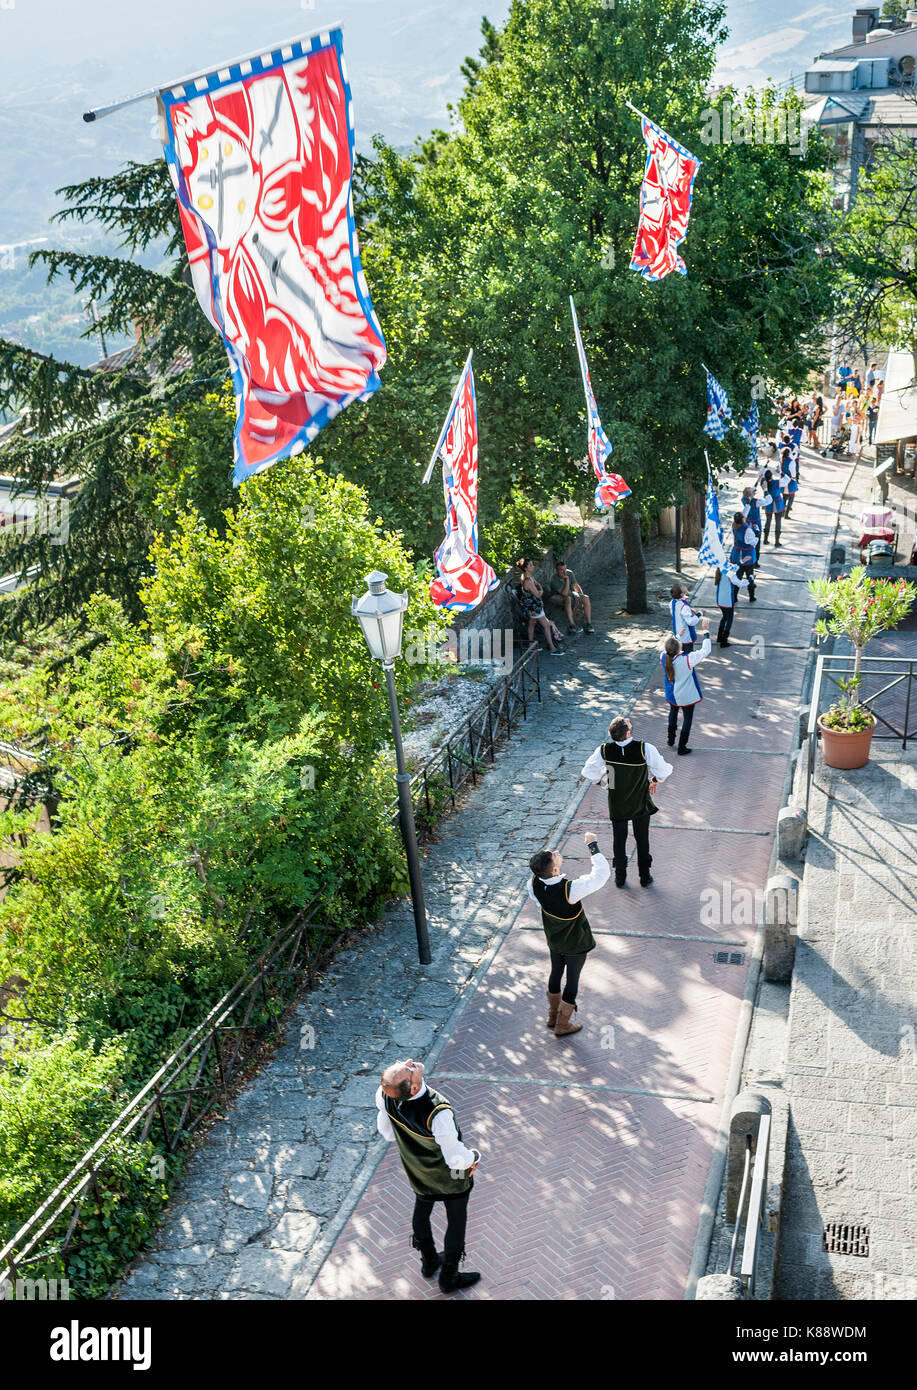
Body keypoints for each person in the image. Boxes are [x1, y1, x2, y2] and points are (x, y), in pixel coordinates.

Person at [376, 1058, 482, 1292]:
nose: (410, 1062)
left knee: (421, 1210)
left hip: (417, 1170)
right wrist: (474, 1156)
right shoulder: (438, 1111)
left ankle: (429, 1261)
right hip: (451, 1175)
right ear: (413, 1088)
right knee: (456, 1220)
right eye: (408, 1068)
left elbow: (388, 1134)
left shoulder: (386, 1094)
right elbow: (455, 1159)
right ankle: (449, 1277)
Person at [528, 829, 610, 1035]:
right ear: (555, 870)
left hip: (554, 940)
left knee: (556, 972)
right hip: (575, 942)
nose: (557, 851)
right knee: (572, 980)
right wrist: (593, 846)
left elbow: (540, 904)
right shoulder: (570, 889)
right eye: (554, 854)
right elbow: (601, 875)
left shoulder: (534, 884)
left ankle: (552, 1015)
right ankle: (562, 1025)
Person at [580, 715, 673, 889]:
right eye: (629, 723)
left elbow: (588, 771)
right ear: (628, 733)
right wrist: (655, 780)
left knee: (619, 839)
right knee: (642, 839)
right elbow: (663, 770)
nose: (629, 720)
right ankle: (644, 877)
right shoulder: (645, 748)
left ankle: (620, 878)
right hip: (640, 801)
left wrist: (602, 783)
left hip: (617, 801)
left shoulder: (604, 750)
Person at [661, 623, 712, 755]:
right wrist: (706, 631)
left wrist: (677, 636)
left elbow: (667, 647)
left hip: (672, 694)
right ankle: (682, 747)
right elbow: (706, 650)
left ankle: (670, 740)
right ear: (680, 647)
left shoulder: (663, 657)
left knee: (673, 713)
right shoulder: (687, 659)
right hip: (686, 695)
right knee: (687, 718)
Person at [516, 557, 564, 656]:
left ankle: (531, 646)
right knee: (546, 626)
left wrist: (539, 589)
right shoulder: (528, 580)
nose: (533, 566)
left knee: (532, 623)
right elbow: (538, 594)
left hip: (532, 606)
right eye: (530, 565)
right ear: (526, 568)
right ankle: (552, 648)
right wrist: (541, 589)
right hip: (535, 608)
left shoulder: (526, 576)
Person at [548, 559, 595, 634]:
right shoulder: (554, 579)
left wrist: (581, 597)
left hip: (569, 593)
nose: (564, 572)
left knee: (586, 598)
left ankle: (589, 624)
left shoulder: (569, 573)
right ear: (556, 571)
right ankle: (572, 625)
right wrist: (567, 580)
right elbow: (564, 593)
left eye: (565, 569)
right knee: (568, 599)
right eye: (561, 570)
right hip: (556, 596)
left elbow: (576, 586)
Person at [714, 566, 747, 648]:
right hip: (727, 601)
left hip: (720, 600)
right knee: (729, 619)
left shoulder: (720, 571)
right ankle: (724, 641)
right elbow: (741, 584)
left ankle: (719, 637)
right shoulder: (730, 574)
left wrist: (742, 562)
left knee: (724, 617)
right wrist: (750, 579)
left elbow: (735, 567)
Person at [730, 508, 758, 600]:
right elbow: (753, 542)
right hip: (747, 555)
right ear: (742, 519)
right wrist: (757, 532)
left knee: (737, 577)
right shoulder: (747, 530)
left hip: (737, 554)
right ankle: (751, 596)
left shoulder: (734, 526)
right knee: (750, 575)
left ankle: (734, 597)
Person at [670, 583, 703, 654]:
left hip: (678, 632)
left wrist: (689, 610)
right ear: (682, 594)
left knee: (679, 653)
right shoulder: (684, 606)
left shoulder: (673, 602)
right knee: (688, 655)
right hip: (686, 635)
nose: (684, 586)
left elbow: (675, 613)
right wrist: (699, 614)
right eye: (682, 587)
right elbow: (691, 622)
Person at [761, 469, 785, 547]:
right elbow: (787, 479)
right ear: (771, 476)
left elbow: (761, 478)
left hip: (768, 503)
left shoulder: (763, 483)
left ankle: (765, 539)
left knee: (768, 521)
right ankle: (777, 541)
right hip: (777, 504)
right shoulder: (777, 482)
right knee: (778, 522)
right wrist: (780, 472)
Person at [780, 448, 798, 518]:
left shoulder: (781, 459)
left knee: (784, 498)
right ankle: (786, 514)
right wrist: (793, 478)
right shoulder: (791, 462)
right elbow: (793, 473)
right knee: (791, 498)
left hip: (783, 480)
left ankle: (782, 513)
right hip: (790, 481)